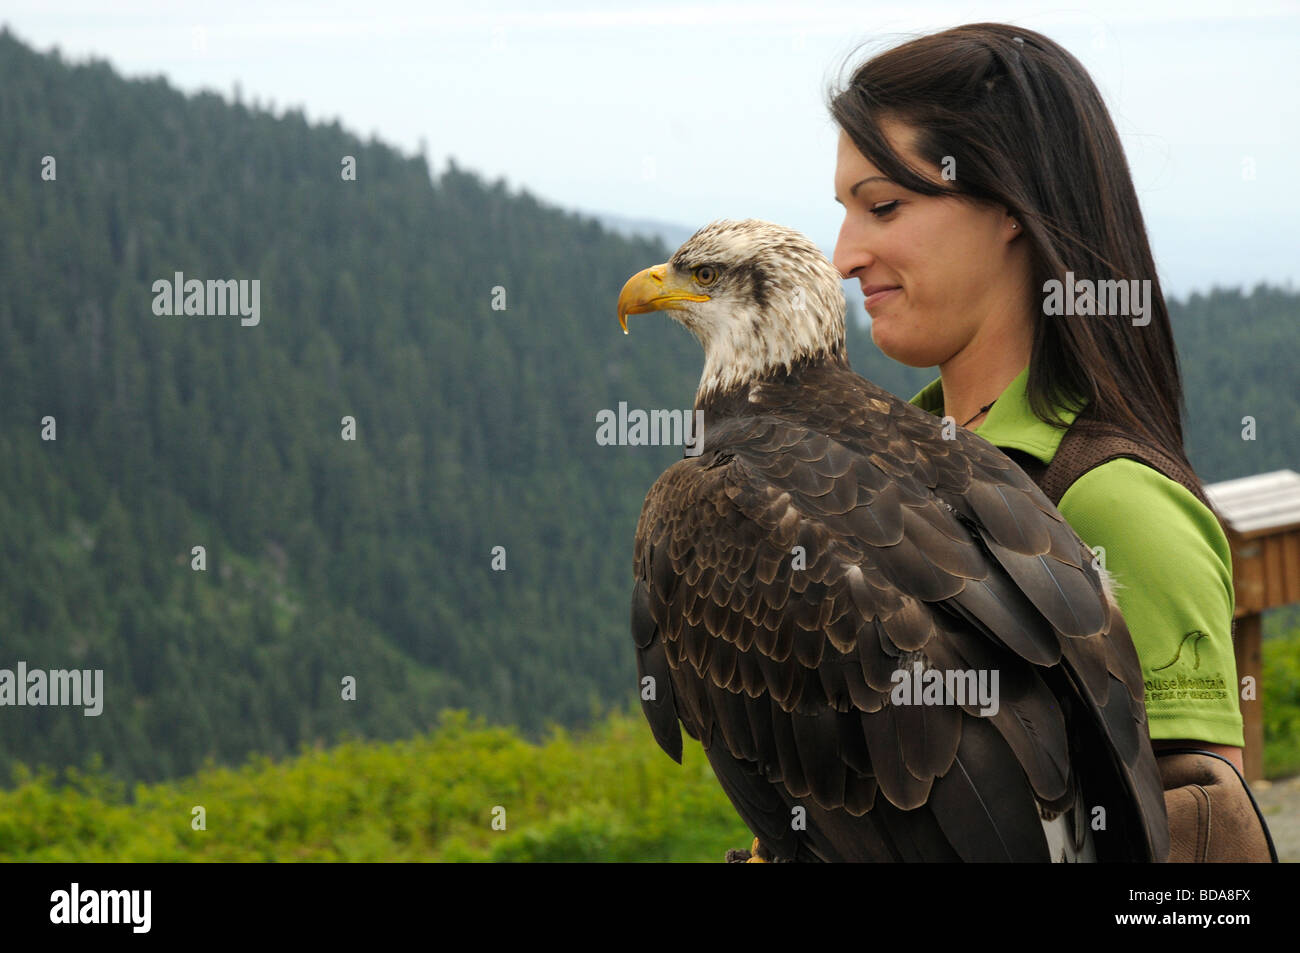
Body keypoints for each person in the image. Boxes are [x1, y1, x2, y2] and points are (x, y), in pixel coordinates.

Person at [827, 23, 1271, 861]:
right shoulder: (879, 476)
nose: (846, 254)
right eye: (844, 210)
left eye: (884, 205)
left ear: (1009, 207)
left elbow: (1203, 860)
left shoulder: (1113, 501)